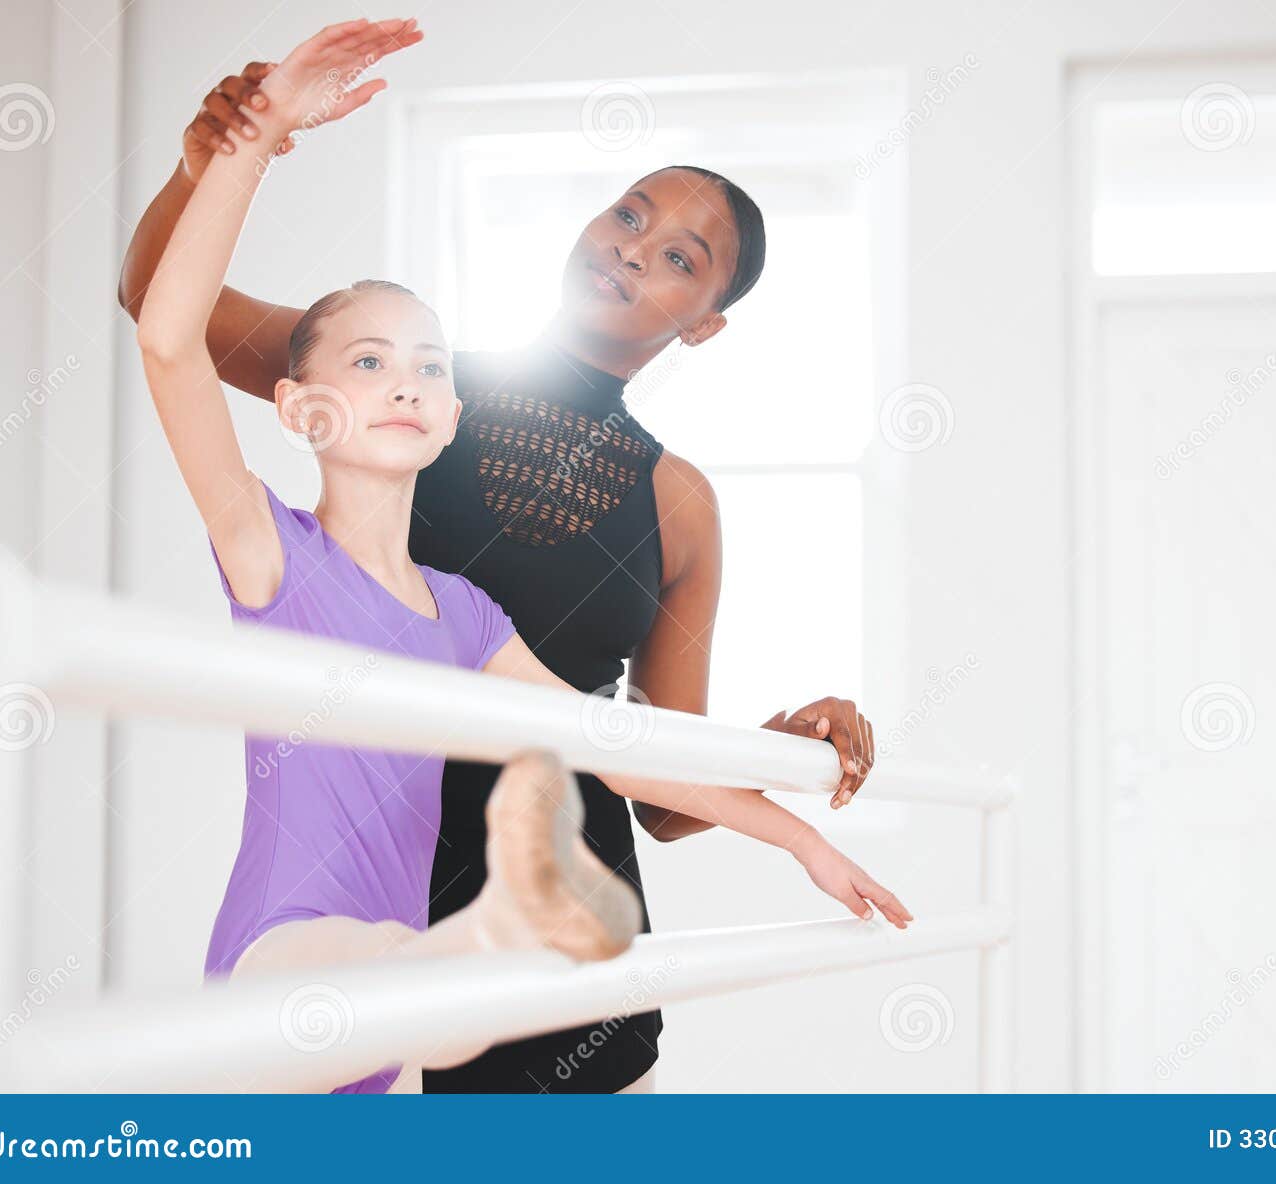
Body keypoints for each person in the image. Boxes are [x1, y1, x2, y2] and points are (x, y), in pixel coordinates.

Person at [128, 16, 909, 1095]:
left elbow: (656, 783)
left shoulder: (669, 499)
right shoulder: (398, 374)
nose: (635, 246)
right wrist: (223, 151)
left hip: (568, 923)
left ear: (705, 322)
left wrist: (780, 756)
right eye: (627, 213)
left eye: (680, 255)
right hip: (372, 891)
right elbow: (163, 309)